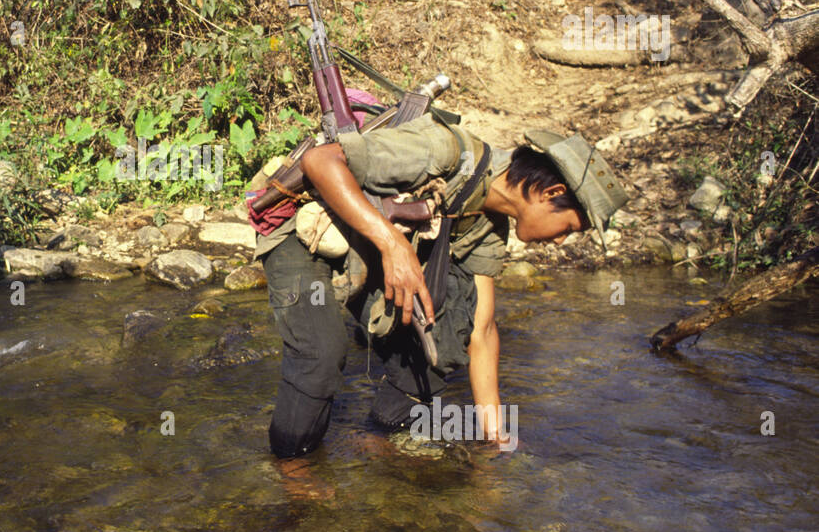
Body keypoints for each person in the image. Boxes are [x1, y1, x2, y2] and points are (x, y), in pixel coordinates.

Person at [256, 112, 628, 457]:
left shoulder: (489, 227)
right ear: (550, 194)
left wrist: (496, 438)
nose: (561, 241)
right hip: (303, 234)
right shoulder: (447, 150)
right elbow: (320, 161)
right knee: (322, 354)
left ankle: (378, 438)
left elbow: (481, 330)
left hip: (365, 250)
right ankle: (291, 469)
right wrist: (393, 245)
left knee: (448, 329)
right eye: (568, 229)